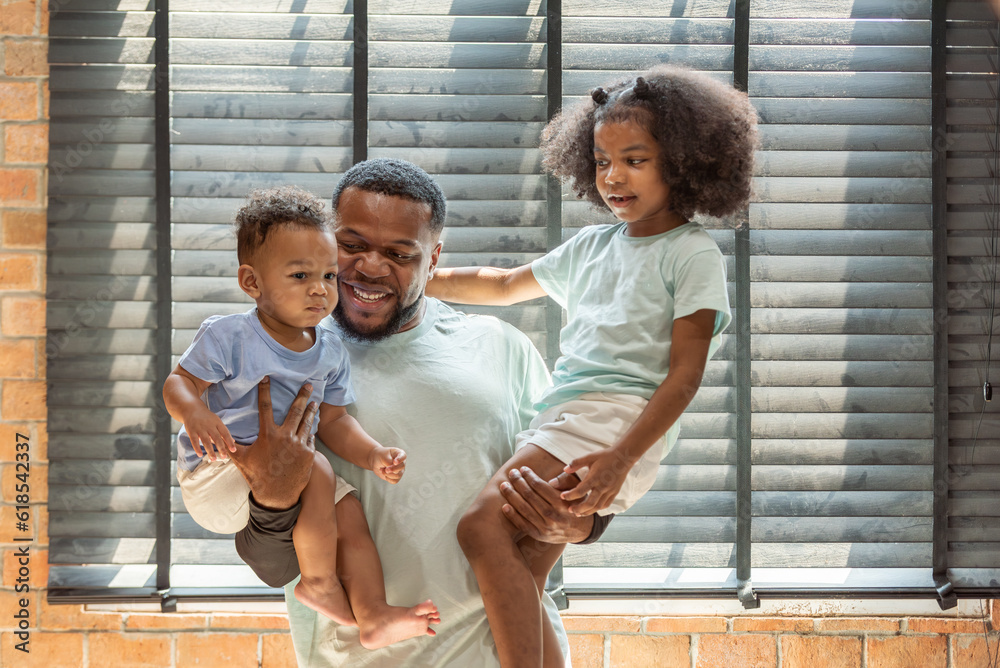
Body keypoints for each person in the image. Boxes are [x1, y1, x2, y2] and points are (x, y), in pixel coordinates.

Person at [424, 64, 759, 668]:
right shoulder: (592, 246)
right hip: (569, 413)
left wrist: (620, 459)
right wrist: (418, 277)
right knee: (522, 570)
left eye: (635, 159)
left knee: (480, 528)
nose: (614, 177)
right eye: (603, 162)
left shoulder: (692, 254)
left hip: (612, 423)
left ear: (682, 163)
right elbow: (501, 285)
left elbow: (684, 378)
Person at [229, 159, 612, 667]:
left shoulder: (502, 349)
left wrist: (582, 526)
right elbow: (270, 564)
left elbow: (581, 483)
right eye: (352, 244)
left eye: (398, 253)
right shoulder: (282, 366)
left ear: (433, 258)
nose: (370, 266)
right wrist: (273, 504)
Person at [163, 186, 440, 648]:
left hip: (294, 476)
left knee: (348, 510)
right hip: (219, 471)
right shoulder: (229, 335)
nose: (320, 288)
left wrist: (372, 455)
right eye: (300, 275)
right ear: (252, 283)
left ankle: (373, 614)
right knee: (317, 467)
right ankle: (318, 584)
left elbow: (333, 422)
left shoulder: (330, 349)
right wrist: (194, 413)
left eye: (329, 275)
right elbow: (178, 382)